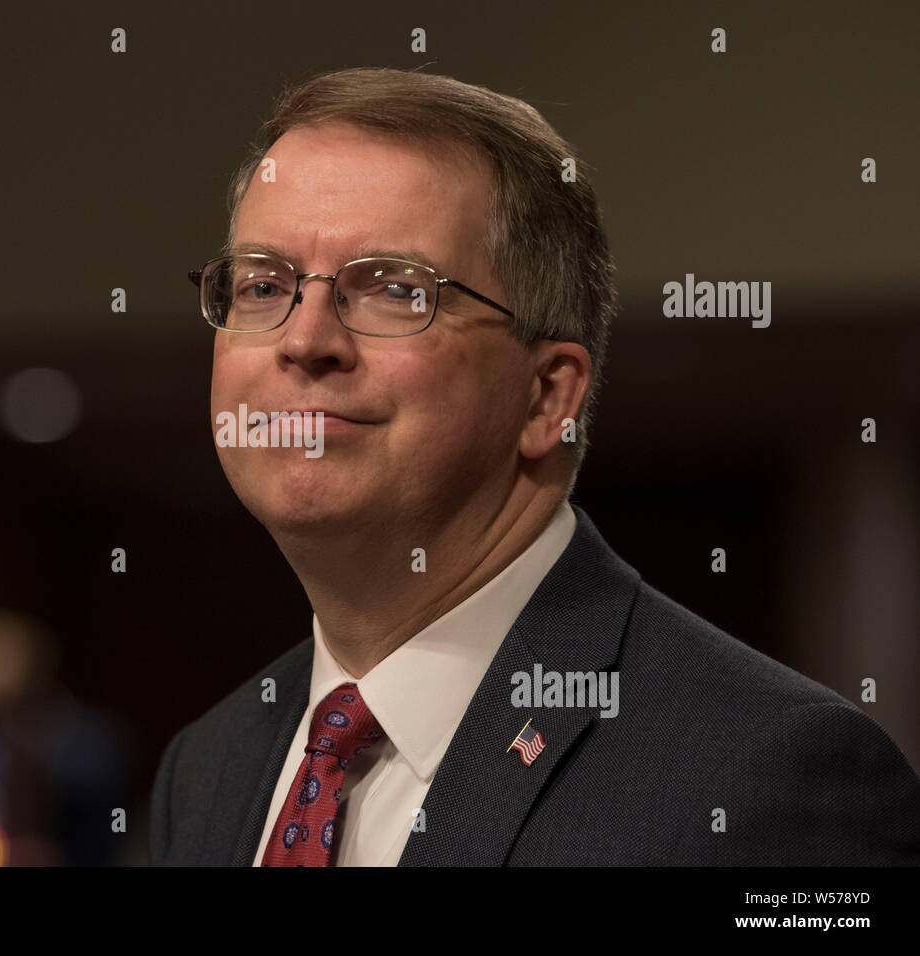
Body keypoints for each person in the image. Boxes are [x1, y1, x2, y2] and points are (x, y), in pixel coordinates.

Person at [149, 67, 920, 866]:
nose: (305, 340)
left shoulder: (769, 776)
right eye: (264, 285)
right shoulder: (208, 768)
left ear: (547, 397)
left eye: (395, 290)